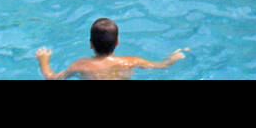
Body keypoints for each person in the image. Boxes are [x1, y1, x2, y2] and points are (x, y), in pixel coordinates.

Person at [36, 19, 186, 79]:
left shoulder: (81, 65)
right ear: (117, 42)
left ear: (91, 44)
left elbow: (52, 78)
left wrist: (44, 61)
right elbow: (161, 66)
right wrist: (171, 58)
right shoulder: (131, 61)